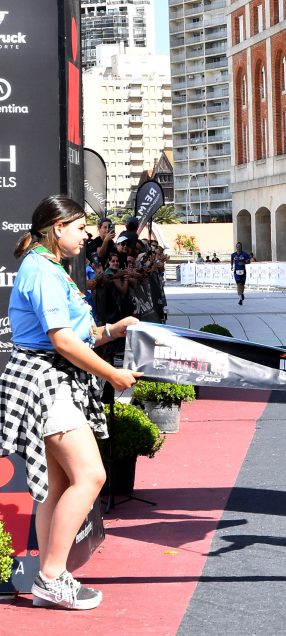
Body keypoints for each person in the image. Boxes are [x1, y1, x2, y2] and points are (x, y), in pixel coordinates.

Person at [0, 195, 141, 610]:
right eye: (80, 228)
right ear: (57, 228)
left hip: (53, 380)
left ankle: (51, 576)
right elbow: (60, 341)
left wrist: (111, 331)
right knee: (91, 476)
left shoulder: (51, 268)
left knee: (58, 486)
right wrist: (112, 374)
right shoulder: (43, 270)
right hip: (47, 383)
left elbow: (74, 334)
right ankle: (50, 577)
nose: (88, 236)